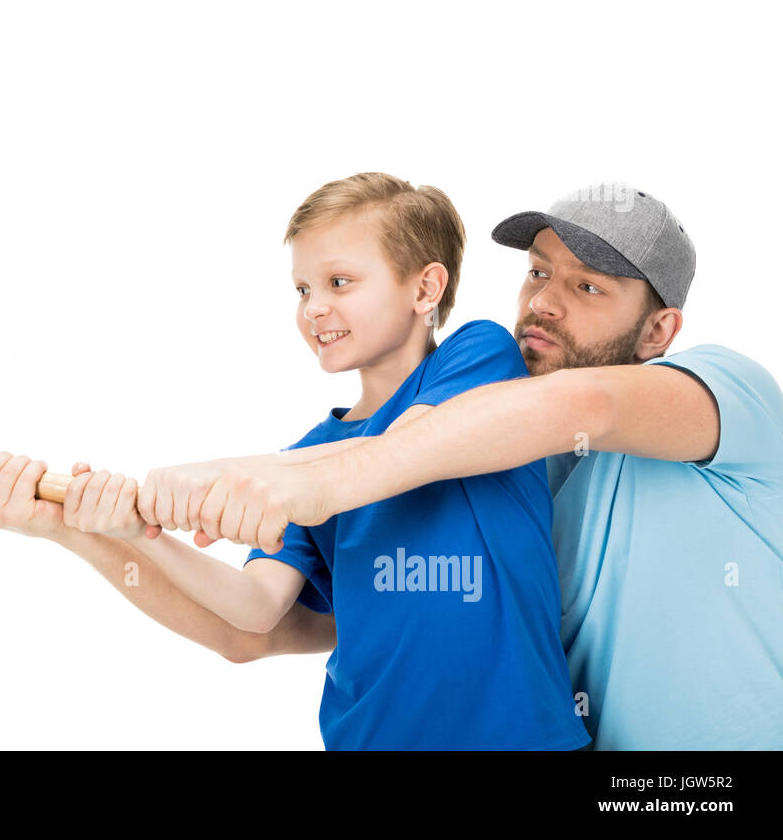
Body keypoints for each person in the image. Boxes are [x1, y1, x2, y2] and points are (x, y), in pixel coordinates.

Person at [0, 173, 590, 750]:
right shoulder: (304, 457)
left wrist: (210, 477)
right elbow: (254, 611)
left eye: (340, 282)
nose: (313, 308)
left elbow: (394, 455)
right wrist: (136, 532)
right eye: (303, 288)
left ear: (426, 287)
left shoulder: (480, 358)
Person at [142, 182, 783, 750]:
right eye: (537, 273)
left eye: (587, 286)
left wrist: (295, 482)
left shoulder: (726, 385)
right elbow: (301, 623)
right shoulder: (514, 469)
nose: (543, 303)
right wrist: (115, 531)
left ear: (657, 331)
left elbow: (588, 401)